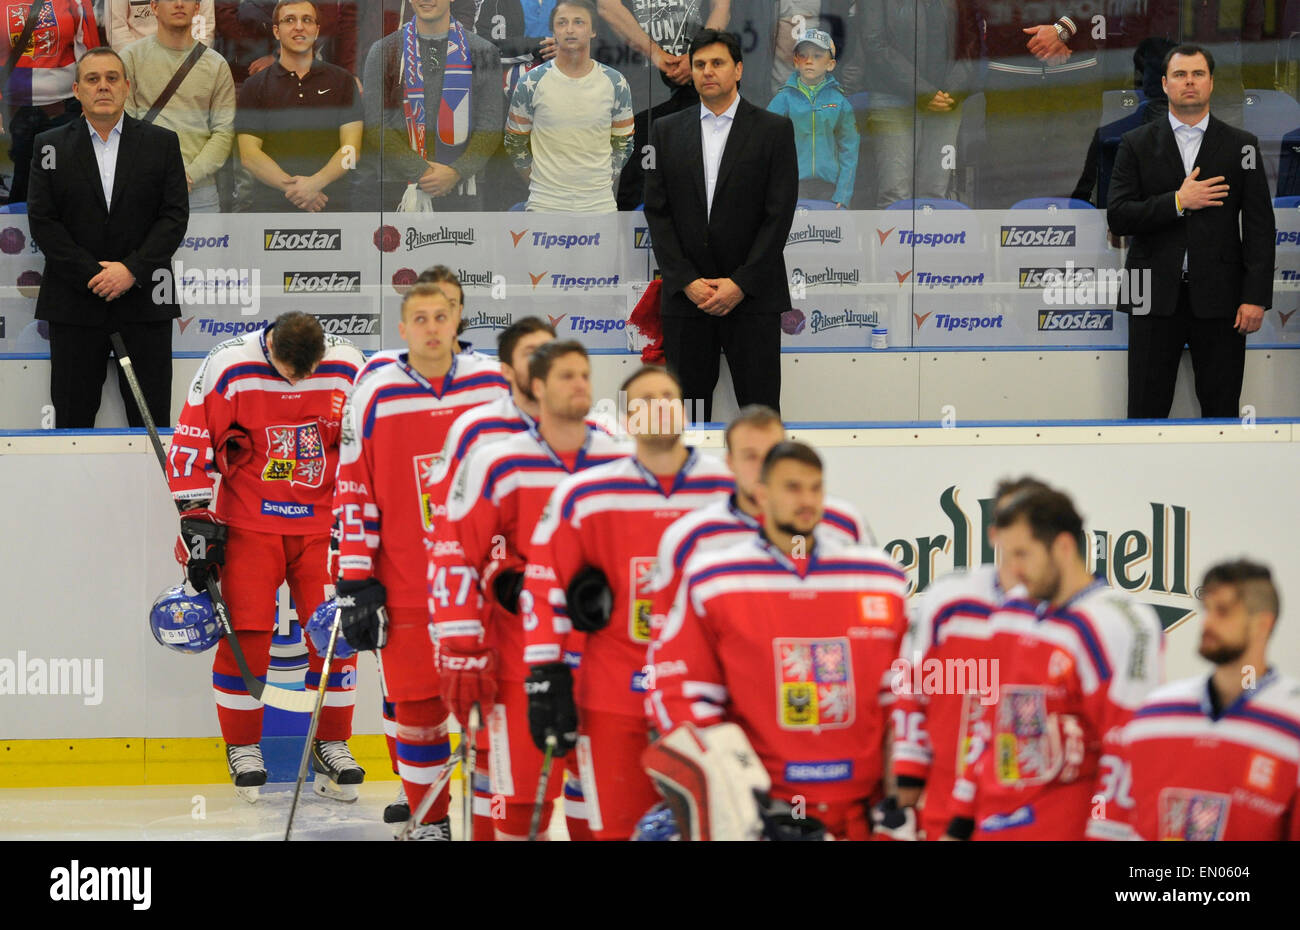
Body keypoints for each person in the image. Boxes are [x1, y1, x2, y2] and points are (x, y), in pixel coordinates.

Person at [648, 440, 909, 840]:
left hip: (862, 814)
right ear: (762, 494)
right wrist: (737, 800)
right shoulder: (714, 580)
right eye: (792, 487)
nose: (807, 500)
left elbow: (903, 698)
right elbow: (680, 693)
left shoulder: (880, 578)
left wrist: (899, 802)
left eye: (815, 487)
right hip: (763, 815)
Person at [522, 364, 733, 840]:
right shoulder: (586, 495)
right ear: (629, 419)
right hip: (612, 696)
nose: (658, 407)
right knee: (617, 830)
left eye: (667, 397)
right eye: (645, 401)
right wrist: (546, 676)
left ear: (683, 411)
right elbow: (544, 587)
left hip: (704, 703)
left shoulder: (728, 493)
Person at [432, 340, 633, 840]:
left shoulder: (618, 457)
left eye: (585, 375)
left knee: (601, 795)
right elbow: (457, 549)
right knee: (519, 800)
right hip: (519, 653)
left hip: (602, 657)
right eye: (567, 376)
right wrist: (464, 644)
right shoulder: (497, 461)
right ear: (537, 387)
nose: (580, 385)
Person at [332, 283, 510, 840]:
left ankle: (489, 825)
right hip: (406, 586)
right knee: (416, 711)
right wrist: (356, 579)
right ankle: (430, 822)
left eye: (442, 315)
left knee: (494, 714)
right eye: (419, 317)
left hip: (484, 590)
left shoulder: (496, 384)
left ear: (459, 318)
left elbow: (523, 483)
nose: (432, 327)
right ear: (403, 326)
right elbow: (353, 488)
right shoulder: (376, 389)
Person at [167, 311, 365, 802]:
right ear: (270, 343)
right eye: (288, 370)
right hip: (250, 524)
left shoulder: (349, 364)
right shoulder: (228, 363)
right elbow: (193, 439)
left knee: (336, 636)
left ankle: (332, 743)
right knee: (247, 637)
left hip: (324, 524)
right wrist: (194, 514)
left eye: (307, 371)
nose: (298, 380)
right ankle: (243, 748)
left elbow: (367, 446)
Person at [942, 485, 1164, 840]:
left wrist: (1106, 831)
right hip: (991, 827)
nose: (1011, 568)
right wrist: (960, 819)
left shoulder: (1120, 623)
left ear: (1062, 547)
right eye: (1006, 554)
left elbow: (1128, 749)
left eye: (1022, 554)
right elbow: (988, 722)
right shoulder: (1010, 612)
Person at [1107, 45, 1276, 420]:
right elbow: (1118, 217)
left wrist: (1255, 297)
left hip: (1223, 298)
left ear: (1212, 83)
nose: (1189, 82)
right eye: (1180, 75)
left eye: (1198, 74)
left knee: (1221, 412)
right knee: (1145, 413)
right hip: (1149, 294)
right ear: (1164, 84)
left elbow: (1260, 226)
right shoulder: (1135, 144)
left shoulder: (1241, 146)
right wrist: (1178, 201)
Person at [27, 46, 188, 429]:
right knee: (72, 425)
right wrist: (91, 274)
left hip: (144, 303)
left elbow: (174, 217)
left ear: (127, 87)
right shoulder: (48, 146)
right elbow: (44, 221)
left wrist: (131, 270)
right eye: (93, 79)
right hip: (74, 304)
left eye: (112, 78)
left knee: (152, 426)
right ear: (76, 89)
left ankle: (151, 493)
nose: (103, 87)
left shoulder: (162, 143)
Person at [642, 29, 797, 420]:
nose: (707, 71)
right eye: (699, 65)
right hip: (688, 298)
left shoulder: (774, 131)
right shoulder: (665, 130)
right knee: (688, 415)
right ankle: (693, 483)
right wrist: (686, 280)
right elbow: (658, 214)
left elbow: (778, 216)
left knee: (760, 413)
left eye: (717, 63)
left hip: (753, 297)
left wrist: (741, 283)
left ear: (738, 69)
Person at [1090, 560, 1300, 841]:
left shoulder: (1292, 723)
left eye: (1223, 612)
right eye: (1207, 610)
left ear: (1262, 624)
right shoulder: (1154, 717)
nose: (1208, 622)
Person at [886, 476, 1048, 841]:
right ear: (994, 532)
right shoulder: (948, 599)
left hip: (1029, 820)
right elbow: (909, 689)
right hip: (943, 811)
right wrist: (908, 781)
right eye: (1011, 522)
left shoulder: (1065, 612)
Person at [644, 404, 871, 655]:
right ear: (729, 463)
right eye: (750, 456)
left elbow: (872, 612)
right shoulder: (691, 537)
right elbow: (666, 635)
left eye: (773, 454)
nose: (763, 467)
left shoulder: (843, 525)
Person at [359, 0, 503, 212]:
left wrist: (455, 172)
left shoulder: (484, 52)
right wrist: (421, 171)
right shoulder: (383, 51)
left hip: (463, 189)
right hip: (399, 188)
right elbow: (376, 125)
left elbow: (490, 126)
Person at [505, 0, 634, 212]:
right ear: (553, 30)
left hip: (598, 206)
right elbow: (514, 143)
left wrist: (597, 185)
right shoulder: (532, 82)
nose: (570, 29)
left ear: (593, 31)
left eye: (579, 22)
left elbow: (624, 143)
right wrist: (541, 185)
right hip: (545, 205)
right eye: (562, 23)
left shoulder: (614, 82)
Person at [234, 0, 363, 212]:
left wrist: (316, 183)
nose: (299, 26)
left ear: (317, 29)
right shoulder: (254, 85)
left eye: (307, 20)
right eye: (289, 20)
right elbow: (249, 156)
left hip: (332, 207)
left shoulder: (343, 81)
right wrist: (298, 189)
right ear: (276, 31)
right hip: (272, 209)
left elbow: (352, 150)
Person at [972, 0, 1103, 207]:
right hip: (1012, 79)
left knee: (1074, 182)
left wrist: (1062, 29)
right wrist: (1048, 41)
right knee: (1010, 179)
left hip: (1075, 80)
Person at [856, 0, 978, 206]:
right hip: (893, 100)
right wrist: (923, 92)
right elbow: (875, 43)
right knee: (895, 195)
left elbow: (973, 41)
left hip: (946, 102)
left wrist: (953, 90)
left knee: (934, 195)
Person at [120, 0, 235, 214]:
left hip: (200, 191)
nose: (180, 4)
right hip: (143, 187)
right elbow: (125, 125)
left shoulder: (216, 65)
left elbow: (223, 132)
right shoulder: (130, 58)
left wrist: (189, 175)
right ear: (154, 7)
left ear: (197, 8)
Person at [764, 28, 855, 207]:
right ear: (796, 61)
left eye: (818, 55)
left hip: (830, 187)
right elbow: (766, 143)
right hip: (792, 185)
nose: (809, 61)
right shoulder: (783, 99)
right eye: (803, 55)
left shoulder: (840, 103)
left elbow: (849, 151)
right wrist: (773, 189)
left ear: (830, 64)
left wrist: (843, 194)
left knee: (826, 233)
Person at [110, 0, 214, 49]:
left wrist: (194, 60)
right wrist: (137, 60)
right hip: (139, 59)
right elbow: (116, 29)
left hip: (188, 59)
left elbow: (204, 26)